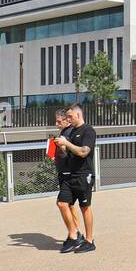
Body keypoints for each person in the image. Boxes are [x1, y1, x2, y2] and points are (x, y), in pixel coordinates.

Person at [55, 104, 98, 252]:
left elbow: (83, 152)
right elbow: (71, 152)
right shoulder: (72, 132)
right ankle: (74, 235)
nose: (68, 119)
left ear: (78, 115)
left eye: (70, 117)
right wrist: (61, 146)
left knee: (85, 207)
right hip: (70, 175)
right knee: (62, 203)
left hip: (83, 174)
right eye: (67, 117)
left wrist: (66, 143)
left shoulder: (88, 131)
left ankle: (89, 240)